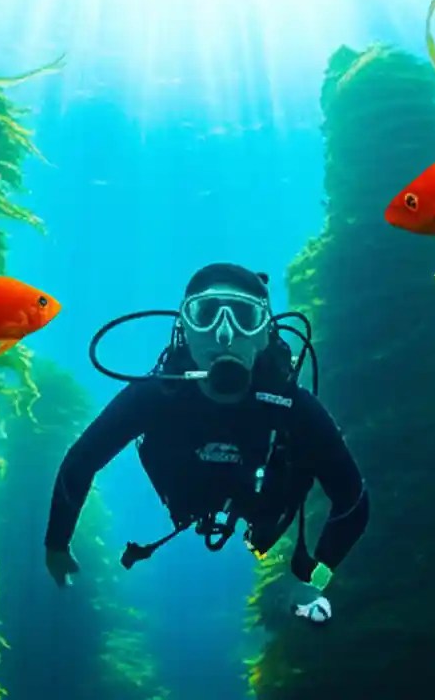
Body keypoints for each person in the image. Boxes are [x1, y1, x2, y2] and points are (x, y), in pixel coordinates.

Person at [42, 262, 369, 624]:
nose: (225, 334)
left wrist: (316, 581)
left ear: (264, 334)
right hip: (191, 499)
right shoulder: (156, 395)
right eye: (206, 315)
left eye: (245, 316)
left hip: (264, 507)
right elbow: (80, 462)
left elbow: (352, 500)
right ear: (185, 328)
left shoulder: (293, 407)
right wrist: (57, 543)